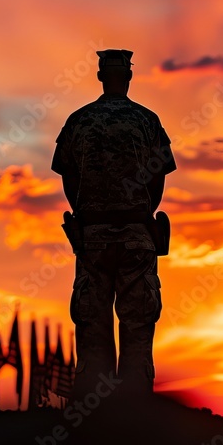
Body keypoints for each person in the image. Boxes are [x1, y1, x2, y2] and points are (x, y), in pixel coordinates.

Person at [51, 48, 177, 398]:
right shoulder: (147, 120)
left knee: (93, 329)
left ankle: (94, 418)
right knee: (137, 329)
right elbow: (159, 178)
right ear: (130, 76)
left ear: (100, 76)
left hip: (93, 237)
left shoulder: (78, 120)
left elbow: (67, 176)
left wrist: (88, 212)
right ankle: (134, 415)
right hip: (137, 235)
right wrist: (139, 211)